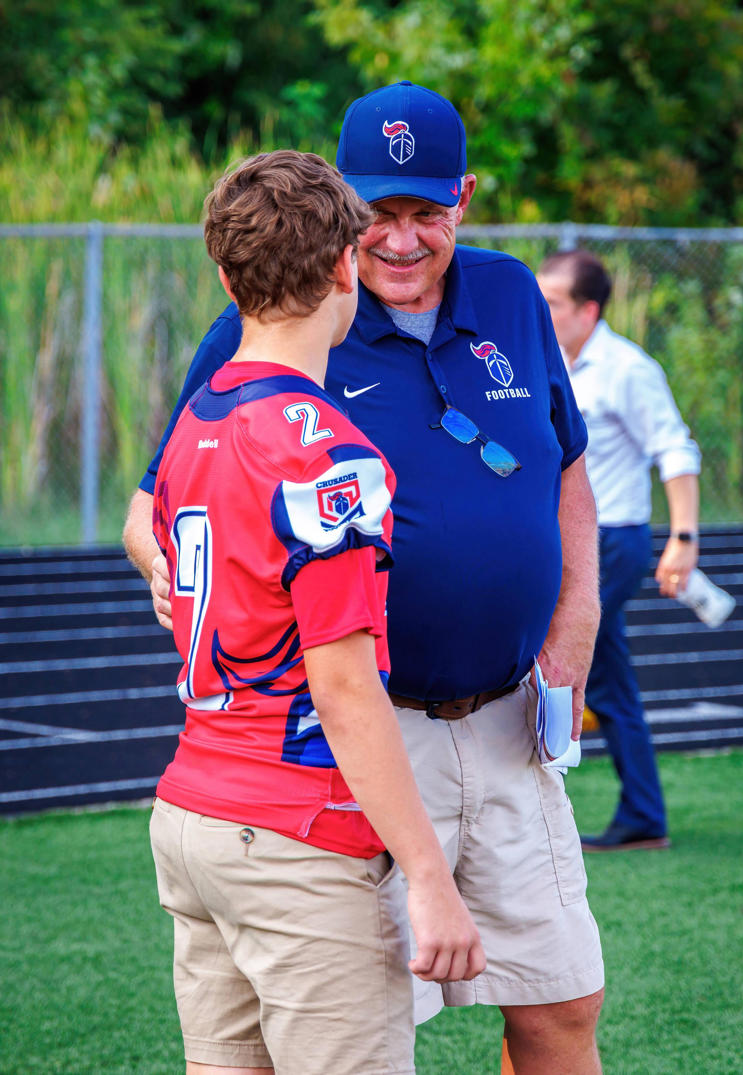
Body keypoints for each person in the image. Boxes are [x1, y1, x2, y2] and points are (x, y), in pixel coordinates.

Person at [125, 82, 605, 1075]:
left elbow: (564, 465)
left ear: (464, 198)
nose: (400, 238)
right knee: (356, 1029)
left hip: (507, 720)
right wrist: (170, 565)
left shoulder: (513, 294)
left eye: (427, 212)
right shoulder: (287, 322)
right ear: (341, 220)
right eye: (377, 213)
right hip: (358, 741)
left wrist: (576, 617)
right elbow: (157, 500)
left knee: (560, 999)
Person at [149, 149, 485, 1075]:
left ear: (226, 275)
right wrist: (427, 873)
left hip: (192, 811)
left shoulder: (198, 418)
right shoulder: (330, 456)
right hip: (293, 823)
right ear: (347, 265)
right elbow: (341, 687)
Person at [537, 248, 702, 852]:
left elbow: (676, 450)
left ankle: (629, 814)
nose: (541, 310)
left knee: (588, 674)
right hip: (568, 540)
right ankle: (642, 813)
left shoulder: (629, 369)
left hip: (615, 543)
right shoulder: (541, 359)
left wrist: (684, 539)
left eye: (552, 302)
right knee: (609, 680)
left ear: (589, 309)